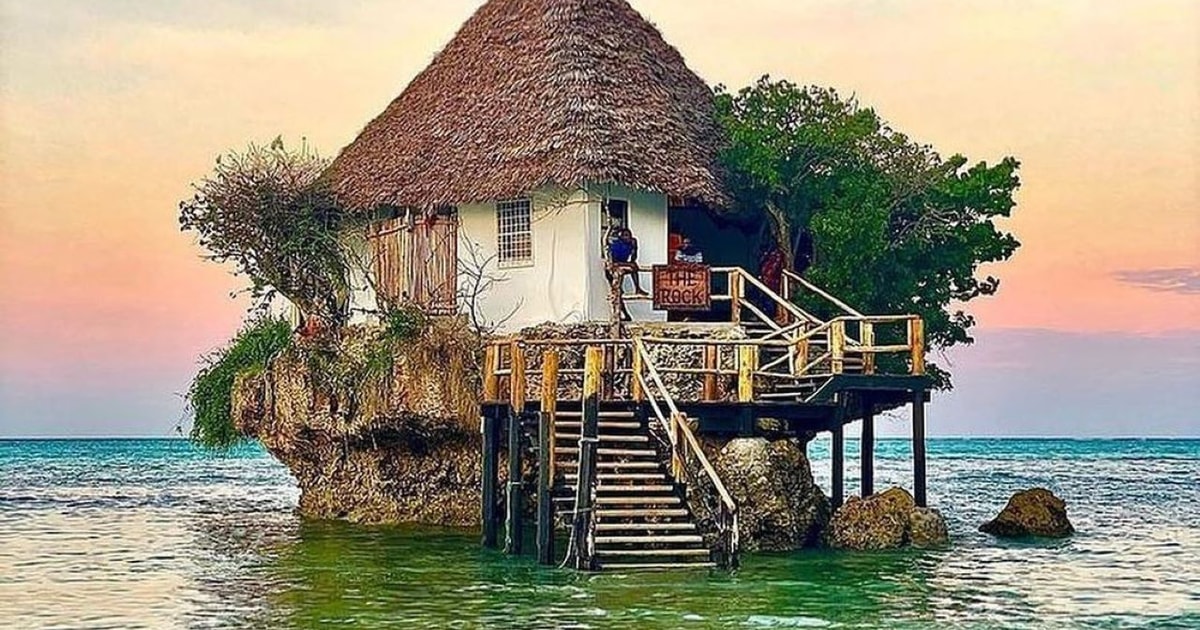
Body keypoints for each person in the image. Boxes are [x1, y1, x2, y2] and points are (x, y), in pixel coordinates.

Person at [607, 228, 648, 296]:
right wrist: (629, 264)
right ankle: (619, 288)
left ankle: (637, 288)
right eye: (626, 235)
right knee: (622, 271)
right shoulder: (617, 244)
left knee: (634, 266)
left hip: (623, 264)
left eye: (629, 235)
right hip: (615, 265)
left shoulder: (629, 244)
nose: (628, 237)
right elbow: (614, 261)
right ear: (621, 237)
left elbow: (633, 259)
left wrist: (635, 248)